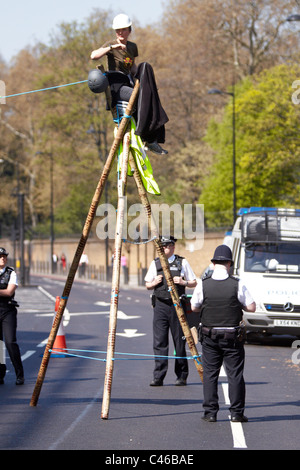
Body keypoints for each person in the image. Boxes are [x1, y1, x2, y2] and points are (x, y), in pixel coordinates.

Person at [191, 245, 256, 423]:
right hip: (232, 337)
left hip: (209, 336)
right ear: (229, 263)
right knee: (234, 375)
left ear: (213, 263)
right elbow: (251, 307)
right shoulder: (238, 284)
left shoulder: (203, 284)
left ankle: (210, 413)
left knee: (210, 374)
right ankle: (236, 413)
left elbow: (194, 307)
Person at [90, 13, 169, 155]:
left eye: (123, 30)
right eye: (117, 30)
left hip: (127, 81)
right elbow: (93, 56)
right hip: (116, 85)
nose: (120, 33)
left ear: (129, 30)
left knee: (148, 96)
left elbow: (132, 67)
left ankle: (151, 139)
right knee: (138, 97)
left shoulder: (132, 47)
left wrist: (146, 84)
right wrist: (112, 47)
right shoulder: (111, 45)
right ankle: (144, 134)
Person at [144, 236, 197, 386]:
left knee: (179, 342)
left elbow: (194, 282)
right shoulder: (155, 263)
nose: (163, 249)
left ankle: (181, 376)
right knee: (160, 341)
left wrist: (183, 282)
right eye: (162, 246)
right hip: (160, 305)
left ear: (173, 247)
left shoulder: (182, 262)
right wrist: (154, 282)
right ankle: (158, 376)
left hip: (177, 306)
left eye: (166, 246)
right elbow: (147, 284)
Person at [0, 247, 24, 385]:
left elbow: (9, 292)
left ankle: (19, 374)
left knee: (10, 342)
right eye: (0, 256)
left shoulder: (11, 273)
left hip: (8, 310)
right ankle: (0, 374)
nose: (3, 258)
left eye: (4, 256)